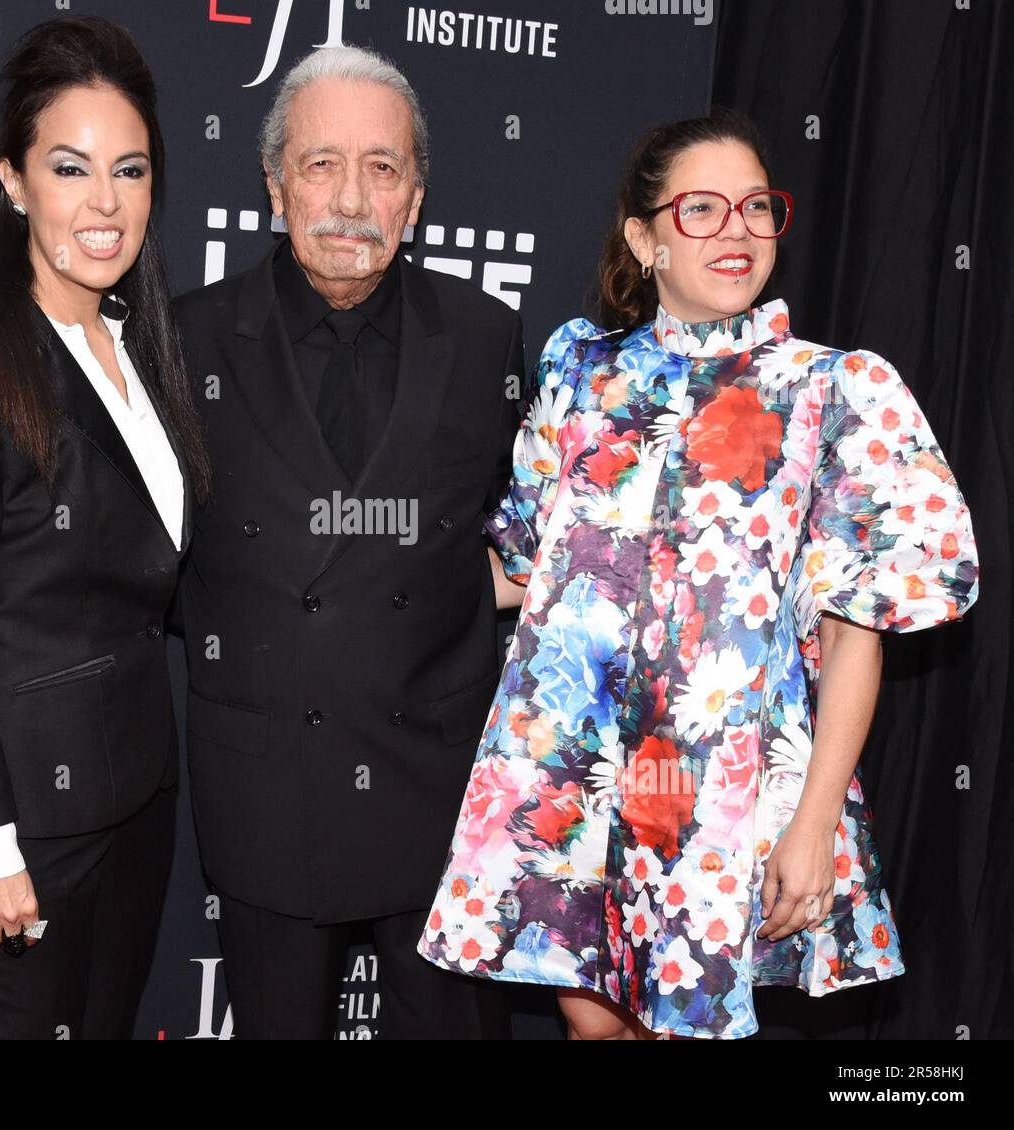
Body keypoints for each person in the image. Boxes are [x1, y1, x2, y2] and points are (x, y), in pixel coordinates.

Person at [417, 109, 980, 1040]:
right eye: (703, 209)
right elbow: (521, 568)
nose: (737, 231)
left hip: (727, 790)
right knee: (595, 1030)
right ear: (645, 240)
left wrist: (813, 821)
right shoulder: (578, 370)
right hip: (570, 772)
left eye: (756, 207)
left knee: (683, 1029)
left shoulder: (831, 391)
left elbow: (853, 632)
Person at [171, 44, 524, 1039]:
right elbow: (145, 561)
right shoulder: (185, 338)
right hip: (267, 779)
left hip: (439, 784)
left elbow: (528, 535)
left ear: (416, 193)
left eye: (382, 166)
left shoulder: (488, 335)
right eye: (322, 164)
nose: (350, 197)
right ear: (275, 182)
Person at [0, 16, 210, 1039]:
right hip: (18, 823)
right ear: (15, 181)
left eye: (131, 170)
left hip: (136, 801)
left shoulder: (144, 347)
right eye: (70, 168)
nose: (105, 204)